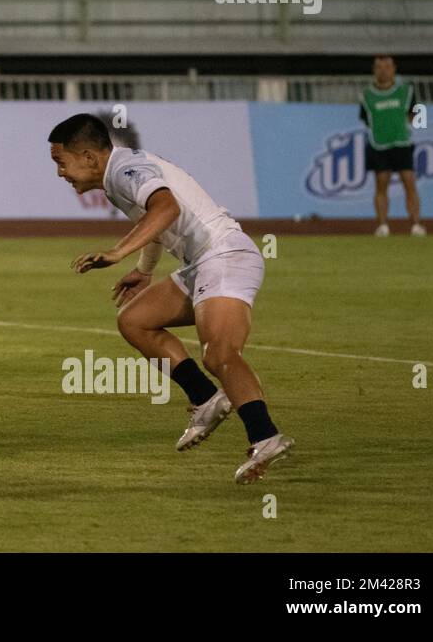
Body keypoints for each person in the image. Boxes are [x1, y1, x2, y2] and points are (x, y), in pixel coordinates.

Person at [48, 113, 294, 484]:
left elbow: (167, 208)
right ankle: (207, 399)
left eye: (60, 162)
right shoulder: (120, 174)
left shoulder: (124, 169)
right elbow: (158, 222)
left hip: (225, 256)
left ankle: (265, 436)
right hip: (202, 263)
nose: (59, 173)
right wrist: (145, 270)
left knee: (220, 354)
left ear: (88, 156)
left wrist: (118, 253)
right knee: (135, 320)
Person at [360, 54, 424, 237]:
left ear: (394, 69)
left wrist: (413, 126)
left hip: (402, 143)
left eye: (387, 66)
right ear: (374, 71)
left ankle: (416, 224)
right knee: (381, 184)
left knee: (409, 181)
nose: (383, 71)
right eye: (379, 67)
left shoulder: (407, 91)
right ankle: (382, 225)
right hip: (379, 145)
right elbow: (366, 119)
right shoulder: (367, 96)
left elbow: (418, 113)